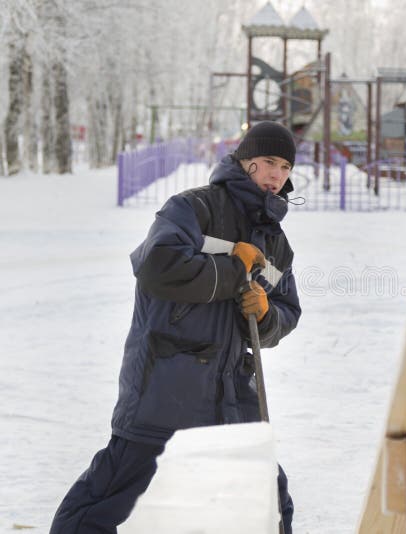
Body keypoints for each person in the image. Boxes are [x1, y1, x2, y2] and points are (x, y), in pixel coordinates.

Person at [50, 121, 302, 534]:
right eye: (269, 161)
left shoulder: (275, 241)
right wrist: (233, 269)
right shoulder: (192, 208)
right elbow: (157, 267)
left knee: (269, 499)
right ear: (246, 161)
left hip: (230, 394)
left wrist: (265, 314)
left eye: (286, 167)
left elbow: (287, 309)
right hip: (166, 387)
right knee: (103, 500)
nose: (277, 174)